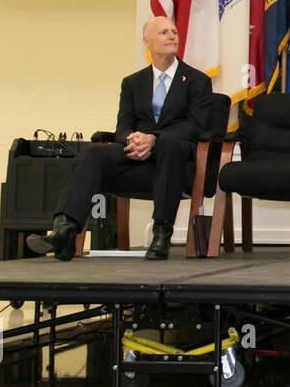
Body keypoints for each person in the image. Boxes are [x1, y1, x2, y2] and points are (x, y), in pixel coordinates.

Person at [26, 17, 213, 261]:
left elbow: (196, 126)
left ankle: (161, 233)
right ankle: (65, 229)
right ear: (147, 42)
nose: (171, 36)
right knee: (96, 152)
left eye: (174, 32)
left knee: (169, 144)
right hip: (137, 151)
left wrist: (153, 138)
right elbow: (123, 126)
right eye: (164, 33)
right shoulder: (133, 83)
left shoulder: (197, 81)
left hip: (175, 150)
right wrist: (133, 139)